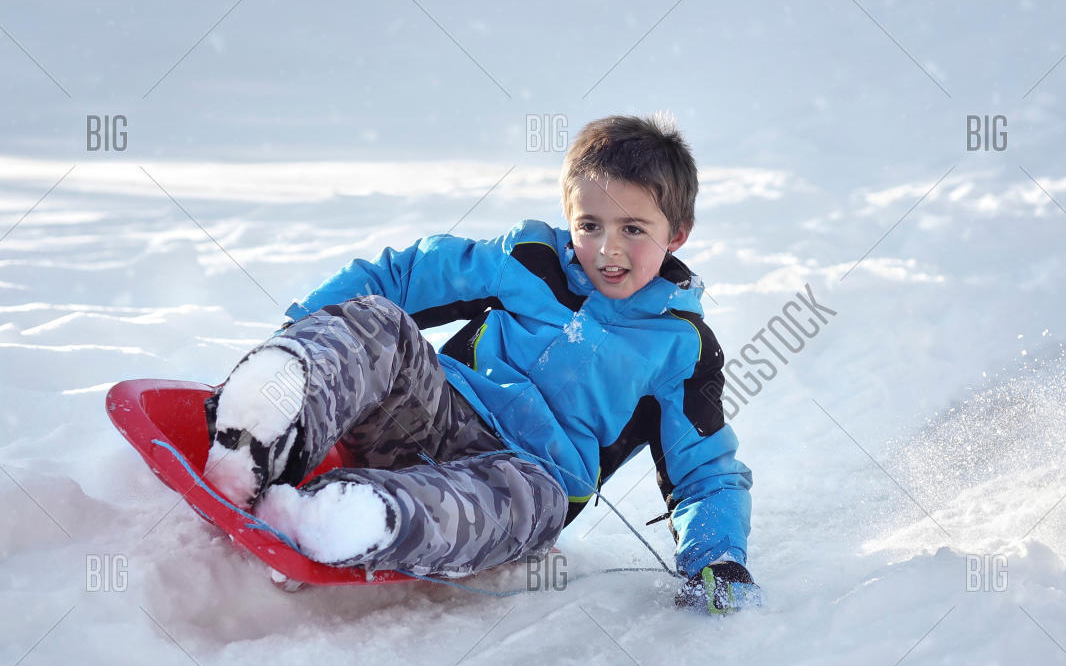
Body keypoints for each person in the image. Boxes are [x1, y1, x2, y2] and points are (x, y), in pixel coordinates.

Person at [203, 113, 759, 614]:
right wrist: (308, 332)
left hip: (529, 476)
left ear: (676, 235)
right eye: (590, 225)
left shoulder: (679, 347)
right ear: (569, 217)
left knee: (515, 500)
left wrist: (719, 559)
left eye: (633, 229)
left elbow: (704, 469)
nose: (608, 249)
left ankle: (354, 517)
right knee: (381, 319)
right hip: (438, 414)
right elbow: (408, 275)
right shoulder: (529, 260)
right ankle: (264, 426)